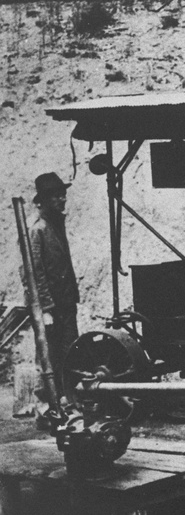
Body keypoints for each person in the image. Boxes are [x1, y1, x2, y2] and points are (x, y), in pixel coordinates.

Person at [27, 172, 80, 410]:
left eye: (63, 194)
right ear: (45, 200)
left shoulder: (57, 224)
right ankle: (46, 407)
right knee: (49, 356)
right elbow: (33, 273)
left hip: (66, 302)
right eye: (57, 196)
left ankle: (66, 400)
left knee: (69, 352)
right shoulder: (37, 230)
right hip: (51, 307)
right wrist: (45, 309)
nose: (62, 199)